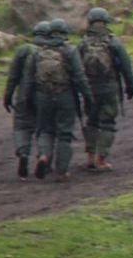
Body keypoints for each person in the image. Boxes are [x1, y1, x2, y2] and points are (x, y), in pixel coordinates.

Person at [24, 20, 92, 183]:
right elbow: (80, 76)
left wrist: (28, 100)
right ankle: (61, 172)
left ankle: (44, 156)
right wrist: (88, 96)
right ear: (65, 33)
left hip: (42, 96)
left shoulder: (38, 52)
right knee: (65, 134)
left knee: (45, 130)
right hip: (65, 95)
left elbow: (28, 79)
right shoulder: (70, 50)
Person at [78, 8, 133, 172]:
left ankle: (90, 157)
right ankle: (101, 159)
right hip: (109, 87)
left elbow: (76, 68)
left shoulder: (82, 43)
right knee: (108, 123)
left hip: (89, 88)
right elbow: (126, 66)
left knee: (92, 121)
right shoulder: (114, 42)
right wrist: (130, 86)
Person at [2, 22, 50, 177]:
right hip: (45, 96)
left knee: (22, 126)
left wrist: (8, 96)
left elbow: (13, 76)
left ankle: (23, 154)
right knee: (45, 128)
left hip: (23, 94)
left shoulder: (23, 50)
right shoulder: (52, 51)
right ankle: (43, 155)